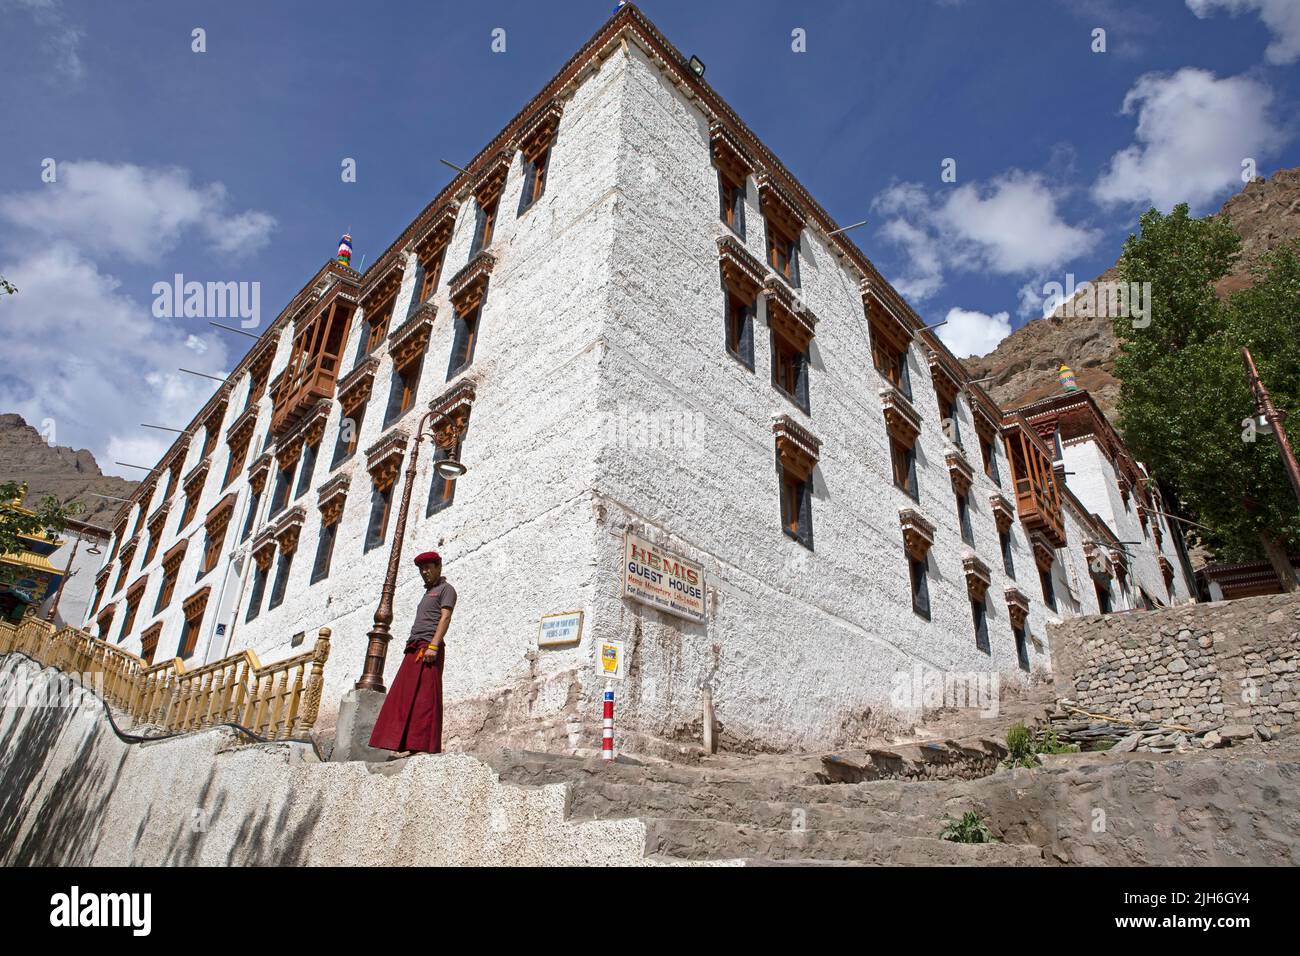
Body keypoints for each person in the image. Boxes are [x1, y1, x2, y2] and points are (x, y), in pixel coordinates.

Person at [368, 551, 456, 756]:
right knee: (406, 697)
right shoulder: (427, 594)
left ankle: (423, 746)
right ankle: (406, 744)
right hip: (414, 647)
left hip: (428, 647)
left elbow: (445, 618)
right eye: (421, 569)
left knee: (426, 698)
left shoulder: (446, 590)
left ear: (438, 566)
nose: (425, 572)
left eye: (428, 567)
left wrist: (434, 645)